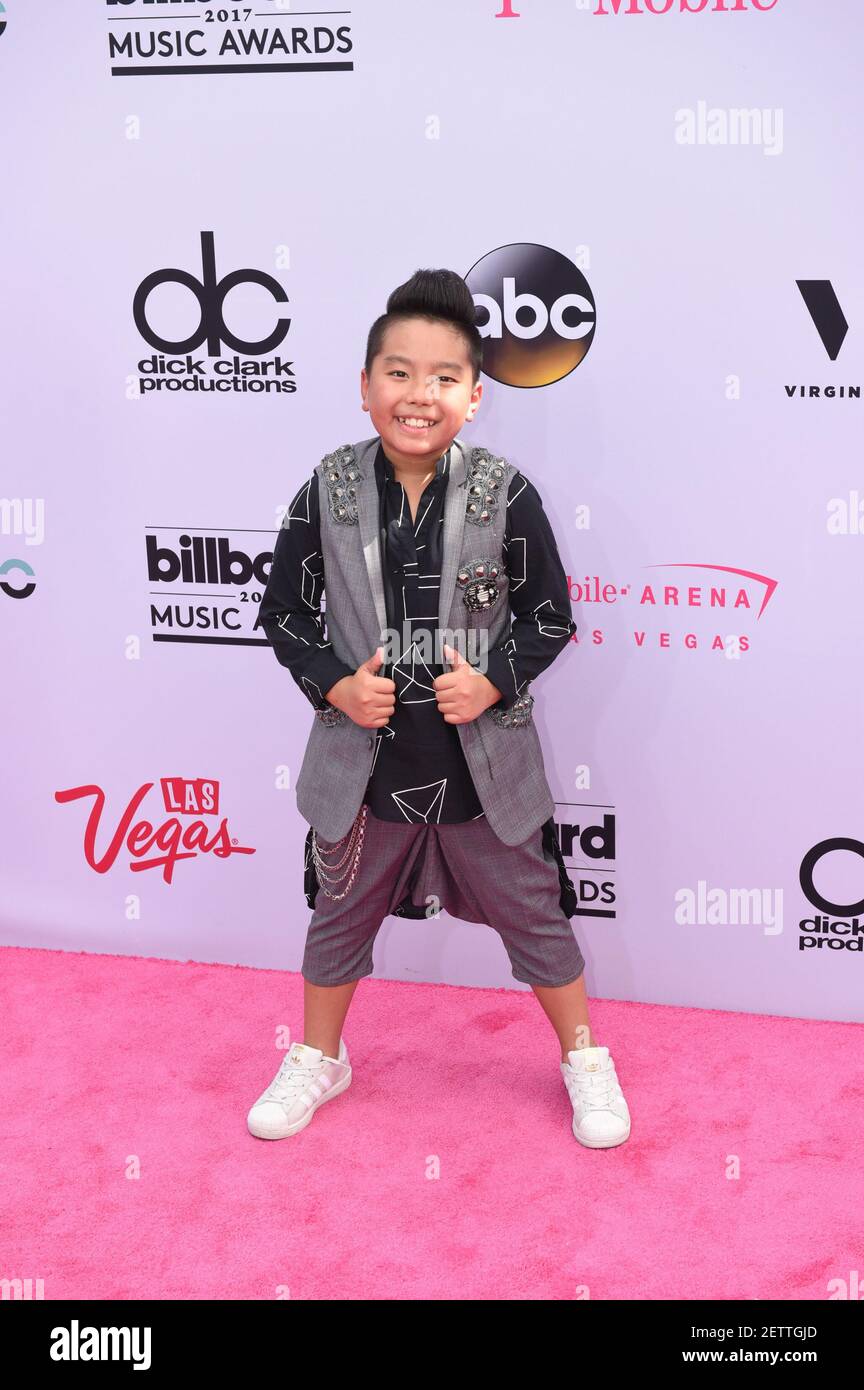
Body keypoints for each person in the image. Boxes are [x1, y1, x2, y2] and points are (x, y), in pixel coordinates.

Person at [248, 268, 630, 1149]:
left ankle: (582, 1058)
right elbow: (282, 614)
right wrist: (335, 683)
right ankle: (318, 1056)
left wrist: (494, 677)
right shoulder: (325, 487)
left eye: (442, 378)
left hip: (482, 764)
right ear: (364, 385)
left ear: (473, 395)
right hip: (364, 759)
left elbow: (549, 616)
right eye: (397, 372)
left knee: (536, 915)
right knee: (337, 915)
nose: (418, 395)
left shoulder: (507, 491)